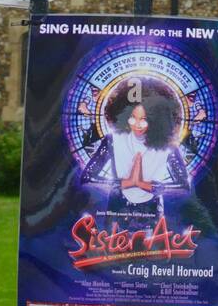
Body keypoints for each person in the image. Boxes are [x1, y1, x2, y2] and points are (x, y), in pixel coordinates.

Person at [79, 87, 190, 218]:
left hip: (152, 214)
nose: (137, 124)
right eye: (133, 117)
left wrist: (145, 185)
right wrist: (126, 183)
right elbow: (87, 178)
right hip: (116, 213)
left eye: (144, 119)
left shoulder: (168, 146)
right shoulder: (112, 141)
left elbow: (183, 185)